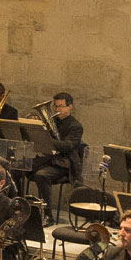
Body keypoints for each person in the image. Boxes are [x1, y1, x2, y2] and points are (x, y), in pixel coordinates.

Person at [28, 91, 86, 221]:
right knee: (18, 168)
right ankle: (18, 209)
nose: (57, 109)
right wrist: (36, 127)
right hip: (49, 160)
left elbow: (67, 146)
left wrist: (46, 139)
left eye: (61, 106)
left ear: (70, 106)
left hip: (65, 164)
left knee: (41, 175)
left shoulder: (76, 126)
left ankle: (47, 215)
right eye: (56, 106)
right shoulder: (52, 121)